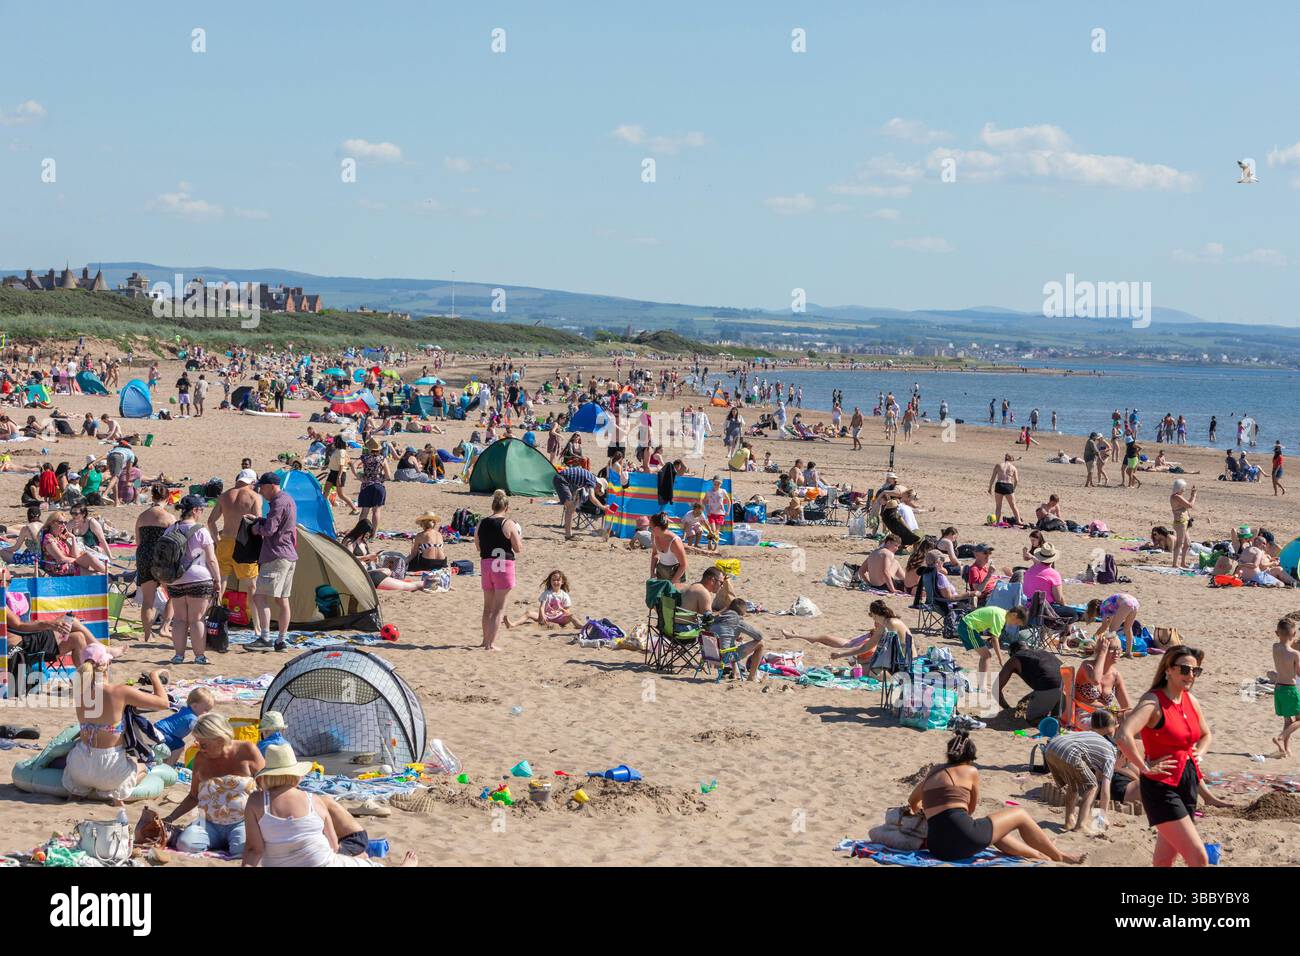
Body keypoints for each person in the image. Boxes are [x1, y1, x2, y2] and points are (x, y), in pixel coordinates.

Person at [905, 731, 1085, 863]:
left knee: (992, 830)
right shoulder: (970, 771)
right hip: (963, 839)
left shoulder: (932, 773)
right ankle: (1059, 855)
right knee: (1019, 814)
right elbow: (971, 809)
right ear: (970, 758)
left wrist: (931, 809)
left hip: (938, 847)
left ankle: (1037, 853)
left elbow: (912, 802)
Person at [243, 741, 413, 867]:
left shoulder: (256, 801)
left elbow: (254, 849)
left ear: (267, 776)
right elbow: (333, 846)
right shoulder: (313, 800)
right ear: (297, 775)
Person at [1116, 647, 1212, 867]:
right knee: (1199, 858)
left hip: (1187, 782)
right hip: (1161, 788)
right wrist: (1145, 767)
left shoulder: (1190, 700)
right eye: (1185, 669)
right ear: (1168, 669)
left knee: (1164, 859)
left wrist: (1199, 753)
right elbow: (1123, 735)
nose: (1190, 676)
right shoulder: (1154, 701)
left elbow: (1206, 734)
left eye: (1196, 671)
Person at [63, 643, 170, 804]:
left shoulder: (78, 689)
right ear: (108, 664)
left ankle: (78, 791)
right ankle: (115, 795)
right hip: (110, 768)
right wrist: (155, 676)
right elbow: (163, 703)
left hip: (79, 768)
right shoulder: (120, 692)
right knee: (145, 766)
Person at [166, 713, 265, 858]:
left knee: (243, 849)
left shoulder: (247, 751)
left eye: (203, 744)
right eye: (197, 742)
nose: (198, 747)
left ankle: (231, 841)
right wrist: (170, 818)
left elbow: (268, 787)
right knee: (186, 844)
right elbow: (194, 796)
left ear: (220, 739)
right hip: (209, 823)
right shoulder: (200, 758)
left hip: (243, 821)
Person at [164, 494, 221, 665]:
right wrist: (217, 579)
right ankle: (199, 656)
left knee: (180, 619)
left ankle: (178, 656)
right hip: (199, 578)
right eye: (201, 509)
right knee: (197, 619)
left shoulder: (170, 529)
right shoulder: (201, 531)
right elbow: (211, 559)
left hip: (175, 579)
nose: (202, 512)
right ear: (195, 510)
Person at [246, 472, 298, 652]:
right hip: (289, 556)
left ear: (270, 486)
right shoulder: (288, 499)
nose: (261, 491)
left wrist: (255, 528)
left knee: (259, 596)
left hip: (276, 555)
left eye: (262, 487)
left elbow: (269, 530)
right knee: (283, 600)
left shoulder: (278, 502)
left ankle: (265, 637)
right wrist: (260, 519)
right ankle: (281, 640)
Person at [1044, 709, 1118, 833]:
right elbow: (1105, 788)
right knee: (1092, 786)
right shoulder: (1111, 753)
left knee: (1074, 784)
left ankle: (1069, 820)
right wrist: (1102, 815)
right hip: (1069, 751)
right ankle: (1081, 825)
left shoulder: (1090, 735)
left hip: (1051, 746)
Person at [782, 599, 911, 664]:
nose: (872, 619)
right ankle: (795, 636)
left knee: (863, 669)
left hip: (905, 662)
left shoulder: (890, 624)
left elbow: (868, 647)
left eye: (872, 616)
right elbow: (866, 647)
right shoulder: (887, 624)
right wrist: (840, 655)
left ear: (876, 614)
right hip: (902, 659)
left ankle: (794, 636)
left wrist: (841, 655)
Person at [475, 489, 523, 651]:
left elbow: (477, 546)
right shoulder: (508, 523)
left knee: (487, 607)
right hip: (503, 565)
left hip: (486, 564)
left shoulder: (481, 522)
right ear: (506, 508)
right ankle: (490, 644)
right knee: (498, 609)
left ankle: (484, 640)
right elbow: (518, 548)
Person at [208, 468, 262, 596]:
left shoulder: (225, 495)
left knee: (220, 582)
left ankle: (214, 613)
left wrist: (217, 540)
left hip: (225, 540)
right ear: (252, 481)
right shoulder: (254, 497)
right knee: (251, 586)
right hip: (243, 543)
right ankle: (256, 616)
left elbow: (211, 522)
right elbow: (258, 522)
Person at [959, 604, 1026, 691]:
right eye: (1017, 623)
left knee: (986, 655)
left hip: (967, 626)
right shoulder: (1000, 617)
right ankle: (981, 686)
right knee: (986, 656)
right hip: (967, 627)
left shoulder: (1001, 613)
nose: (1014, 625)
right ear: (1014, 615)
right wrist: (1001, 660)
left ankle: (981, 685)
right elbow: (995, 640)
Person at [996, 640, 1063, 723]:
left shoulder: (1015, 658)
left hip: (1048, 689)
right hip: (1068, 690)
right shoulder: (1044, 652)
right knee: (1022, 704)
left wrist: (1007, 709)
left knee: (1023, 713)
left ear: (1012, 653)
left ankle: (1042, 720)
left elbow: (996, 688)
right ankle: (1057, 716)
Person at [706, 598, 765, 681]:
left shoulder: (717, 619)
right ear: (742, 612)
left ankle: (735, 673)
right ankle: (752, 677)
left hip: (710, 656)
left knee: (731, 645)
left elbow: (722, 635)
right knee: (761, 644)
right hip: (724, 657)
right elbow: (759, 636)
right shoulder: (737, 620)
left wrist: (734, 636)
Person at [153, 687, 216, 763]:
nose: (207, 713)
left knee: (172, 747)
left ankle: (164, 762)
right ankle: (169, 765)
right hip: (164, 732)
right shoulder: (192, 718)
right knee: (179, 746)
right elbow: (199, 732)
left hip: (158, 728)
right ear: (195, 706)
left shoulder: (185, 709)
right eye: (206, 710)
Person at [1075, 635, 1132, 715]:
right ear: (1101, 649)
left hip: (1106, 715)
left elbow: (1127, 706)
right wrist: (1102, 653)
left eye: (1118, 648)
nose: (1116, 652)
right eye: (1111, 648)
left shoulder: (1115, 675)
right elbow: (1096, 680)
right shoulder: (1087, 666)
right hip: (1083, 712)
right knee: (1108, 725)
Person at [505, 569, 578, 629]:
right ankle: (513, 624)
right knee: (528, 613)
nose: (555, 582)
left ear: (562, 582)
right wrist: (542, 617)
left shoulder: (565, 595)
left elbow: (567, 612)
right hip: (546, 617)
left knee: (572, 616)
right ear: (550, 581)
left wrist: (562, 610)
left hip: (559, 618)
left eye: (558, 580)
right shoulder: (546, 593)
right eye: (553, 580)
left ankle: (583, 627)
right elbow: (542, 607)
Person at [1271, 617, 1300, 757]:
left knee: (1288, 721)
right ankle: (1280, 737)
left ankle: (1285, 749)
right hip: (1290, 689)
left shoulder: (1275, 647)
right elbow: (1299, 673)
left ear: (1277, 633)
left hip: (1278, 689)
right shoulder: (1295, 654)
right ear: (1294, 634)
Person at [553, 465, 604, 542]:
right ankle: (568, 535)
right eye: (599, 490)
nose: (598, 492)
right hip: (562, 480)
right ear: (599, 485)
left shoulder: (590, 477)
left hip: (562, 479)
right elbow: (592, 498)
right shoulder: (592, 481)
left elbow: (576, 485)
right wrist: (603, 507)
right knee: (570, 509)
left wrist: (575, 500)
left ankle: (568, 535)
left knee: (571, 509)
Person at [1085, 593, 1140, 659]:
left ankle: (1109, 652)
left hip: (1126, 603)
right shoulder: (1108, 603)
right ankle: (1128, 653)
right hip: (1135, 602)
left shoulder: (1103, 607)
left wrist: (1095, 636)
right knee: (1127, 629)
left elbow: (1104, 626)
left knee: (1112, 631)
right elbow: (1109, 622)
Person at [353, 437, 390, 532]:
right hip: (379, 486)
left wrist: (359, 477)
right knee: (376, 511)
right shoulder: (382, 458)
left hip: (367, 485)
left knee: (364, 511)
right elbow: (388, 475)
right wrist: (381, 479)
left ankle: (359, 532)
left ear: (369, 448)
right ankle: (374, 534)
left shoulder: (365, 457)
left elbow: (353, 465)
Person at [649, 511, 687, 584]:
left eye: (650, 527)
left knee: (673, 595)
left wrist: (672, 582)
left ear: (656, 528)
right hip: (661, 570)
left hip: (676, 573)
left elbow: (683, 565)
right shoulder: (654, 536)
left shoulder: (675, 541)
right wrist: (652, 572)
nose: (649, 529)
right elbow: (655, 554)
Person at [325, 435, 359, 514]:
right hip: (333, 472)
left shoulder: (341, 452)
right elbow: (336, 461)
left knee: (341, 495)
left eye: (335, 441)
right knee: (326, 491)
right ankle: (325, 509)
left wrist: (339, 477)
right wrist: (327, 466)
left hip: (339, 474)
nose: (333, 442)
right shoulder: (337, 450)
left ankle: (355, 509)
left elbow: (341, 465)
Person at [1169, 479, 1196, 569]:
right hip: (1180, 522)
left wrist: (1192, 495)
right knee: (1179, 543)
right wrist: (1194, 496)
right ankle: (1174, 563)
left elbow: (1186, 504)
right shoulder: (1176, 497)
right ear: (1180, 488)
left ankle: (1182, 563)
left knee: (1187, 543)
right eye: (1183, 488)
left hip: (1184, 522)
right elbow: (1190, 505)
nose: (1184, 490)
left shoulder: (1178, 497)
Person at [988, 455, 1021, 524]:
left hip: (999, 485)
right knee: (1013, 506)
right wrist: (1013, 489)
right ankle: (1019, 521)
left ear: (1005, 459)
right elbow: (1017, 480)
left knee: (998, 506)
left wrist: (990, 487)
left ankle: (997, 522)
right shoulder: (1013, 468)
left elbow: (992, 478)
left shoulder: (998, 465)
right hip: (1008, 485)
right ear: (1011, 460)